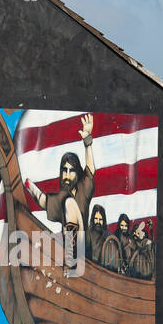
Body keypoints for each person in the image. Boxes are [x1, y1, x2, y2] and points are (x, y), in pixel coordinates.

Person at [24, 114, 95, 271]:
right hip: (70, 251)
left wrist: (87, 141)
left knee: (69, 201)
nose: (67, 175)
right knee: (65, 200)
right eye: (64, 170)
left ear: (78, 173)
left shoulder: (84, 188)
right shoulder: (61, 198)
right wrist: (27, 184)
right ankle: (70, 259)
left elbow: (90, 169)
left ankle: (71, 258)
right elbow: (43, 200)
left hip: (85, 249)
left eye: (71, 171)